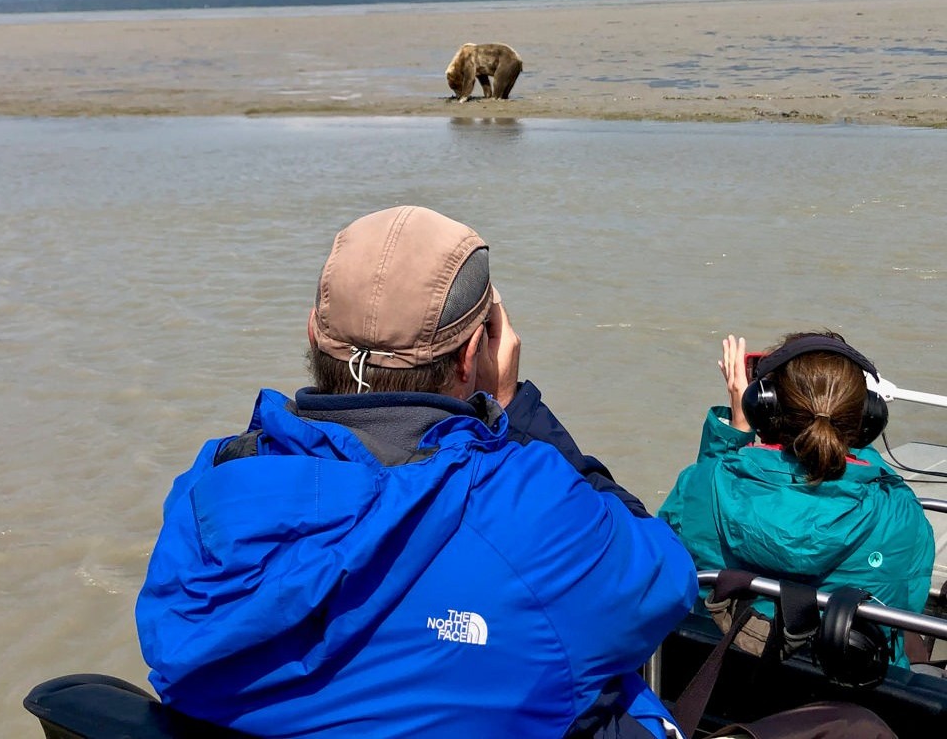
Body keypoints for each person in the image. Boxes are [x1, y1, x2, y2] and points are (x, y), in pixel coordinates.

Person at [136, 205, 697, 738]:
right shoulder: (529, 507)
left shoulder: (212, 488)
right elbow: (668, 579)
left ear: (312, 331)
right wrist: (515, 409)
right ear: (473, 351)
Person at [658, 330, 934, 667]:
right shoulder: (901, 514)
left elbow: (676, 552)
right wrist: (849, 438)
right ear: (867, 420)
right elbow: (909, 604)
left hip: (719, 689)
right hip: (851, 704)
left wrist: (734, 432)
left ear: (764, 406)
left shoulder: (699, 485)